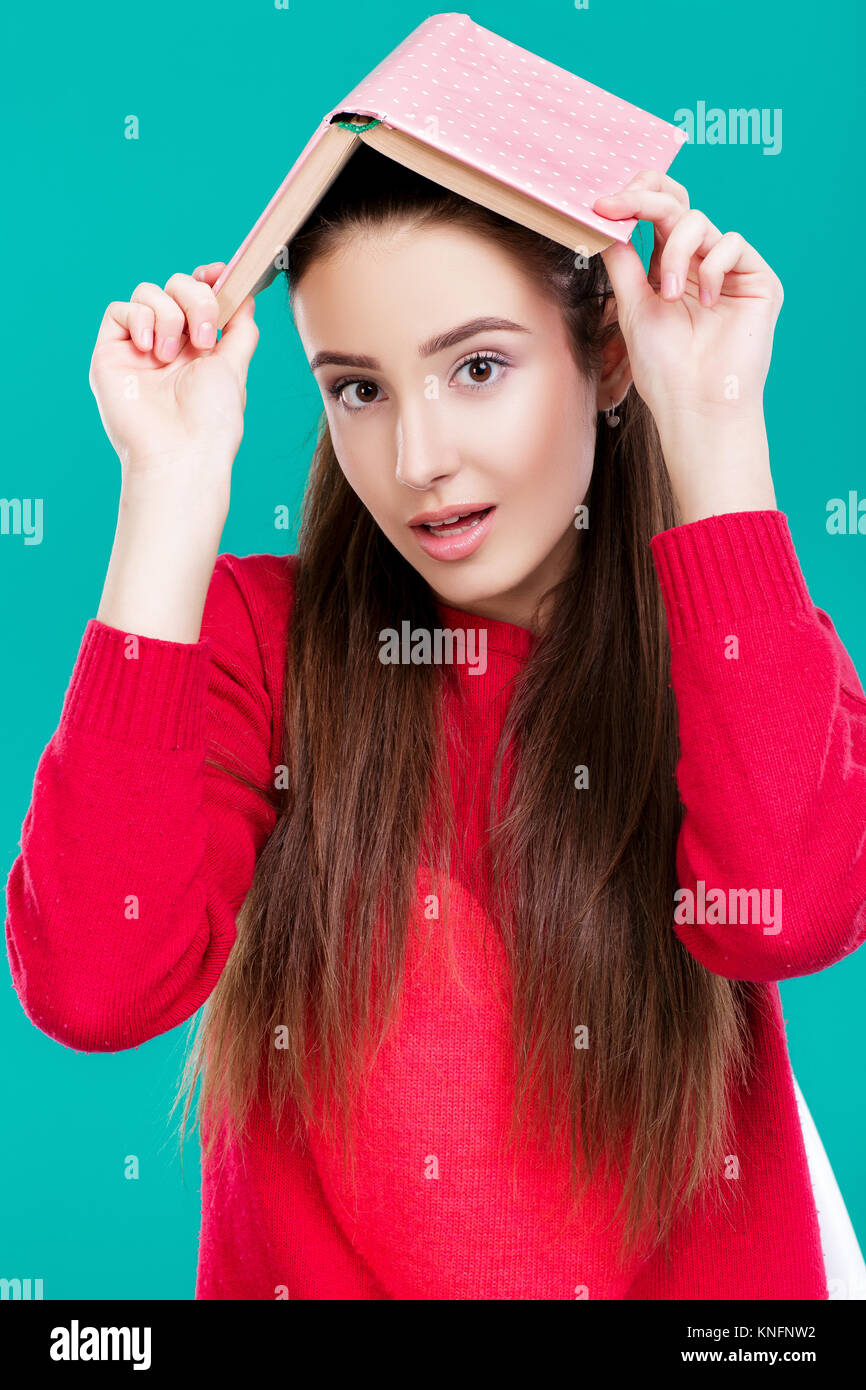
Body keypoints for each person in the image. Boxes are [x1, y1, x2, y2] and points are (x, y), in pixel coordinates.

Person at [6, 145, 866, 1299]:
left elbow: (791, 916)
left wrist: (710, 425)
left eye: (474, 367)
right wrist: (166, 492)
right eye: (357, 388)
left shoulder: (725, 642)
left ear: (606, 351)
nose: (417, 460)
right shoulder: (259, 647)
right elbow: (95, 984)